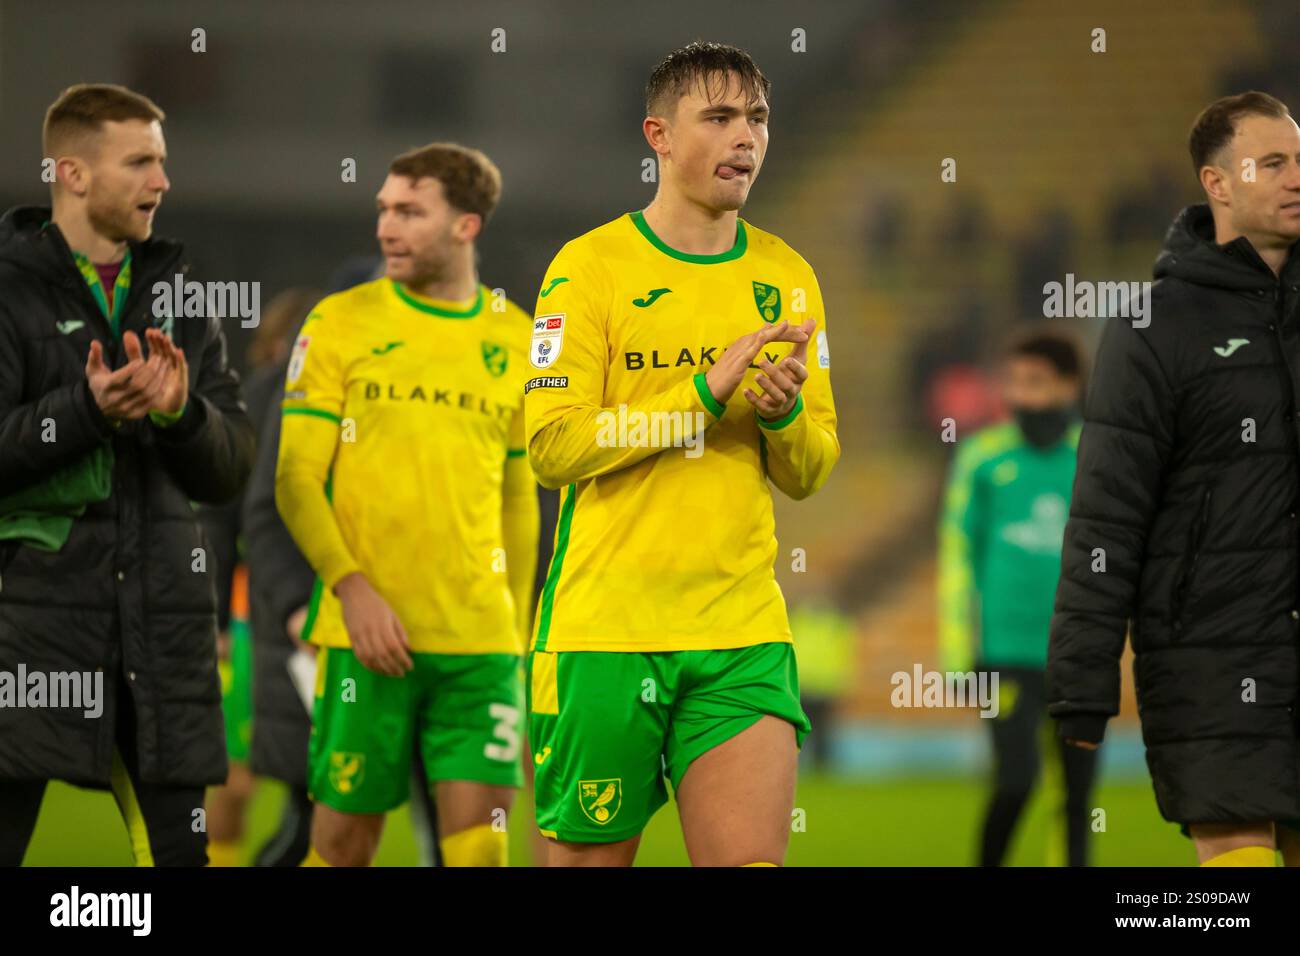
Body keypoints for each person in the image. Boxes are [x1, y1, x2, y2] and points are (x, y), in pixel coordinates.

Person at [524, 41, 839, 866]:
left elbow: (810, 470)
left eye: (759, 119)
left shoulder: (789, 277)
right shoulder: (587, 268)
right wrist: (701, 397)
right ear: (658, 136)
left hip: (740, 630)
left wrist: (780, 414)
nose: (747, 138)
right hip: (606, 633)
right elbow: (553, 445)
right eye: (722, 117)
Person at [0, 83, 254, 866]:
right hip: (28, 635)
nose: (162, 182)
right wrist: (86, 410)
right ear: (72, 174)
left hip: (162, 630)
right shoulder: (8, 291)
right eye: (140, 161)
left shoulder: (183, 294)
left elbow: (230, 468)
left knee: (180, 857)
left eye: (163, 161)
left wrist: (182, 414)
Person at [1049, 91, 1300, 867]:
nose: (1299, 178)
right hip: (1210, 654)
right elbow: (1107, 517)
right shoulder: (1153, 325)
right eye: (1276, 162)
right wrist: (1082, 680)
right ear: (1217, 183)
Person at [276, 143, 538, 867]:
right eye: (384, 210)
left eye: (410, 212)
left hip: (479, 649)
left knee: (479, 854)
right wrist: (351, 590)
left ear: (466, 226)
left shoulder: (516, 340)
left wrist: (513, 634)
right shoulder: (339, 322)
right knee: (341, 846)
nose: (387, 228)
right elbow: (296, 479)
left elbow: (519, 497)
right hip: (367, 642)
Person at [939, 328, 1096, 866]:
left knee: (1077, 798)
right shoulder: (983, 457)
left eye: (1036, 382)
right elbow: (956, 555)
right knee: (1015, 782)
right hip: (1001, 656)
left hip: (1078, 654)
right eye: (1014, 382)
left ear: (1070, 386)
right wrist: (959, 652)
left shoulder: (1096, 458)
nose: (1021, 394)